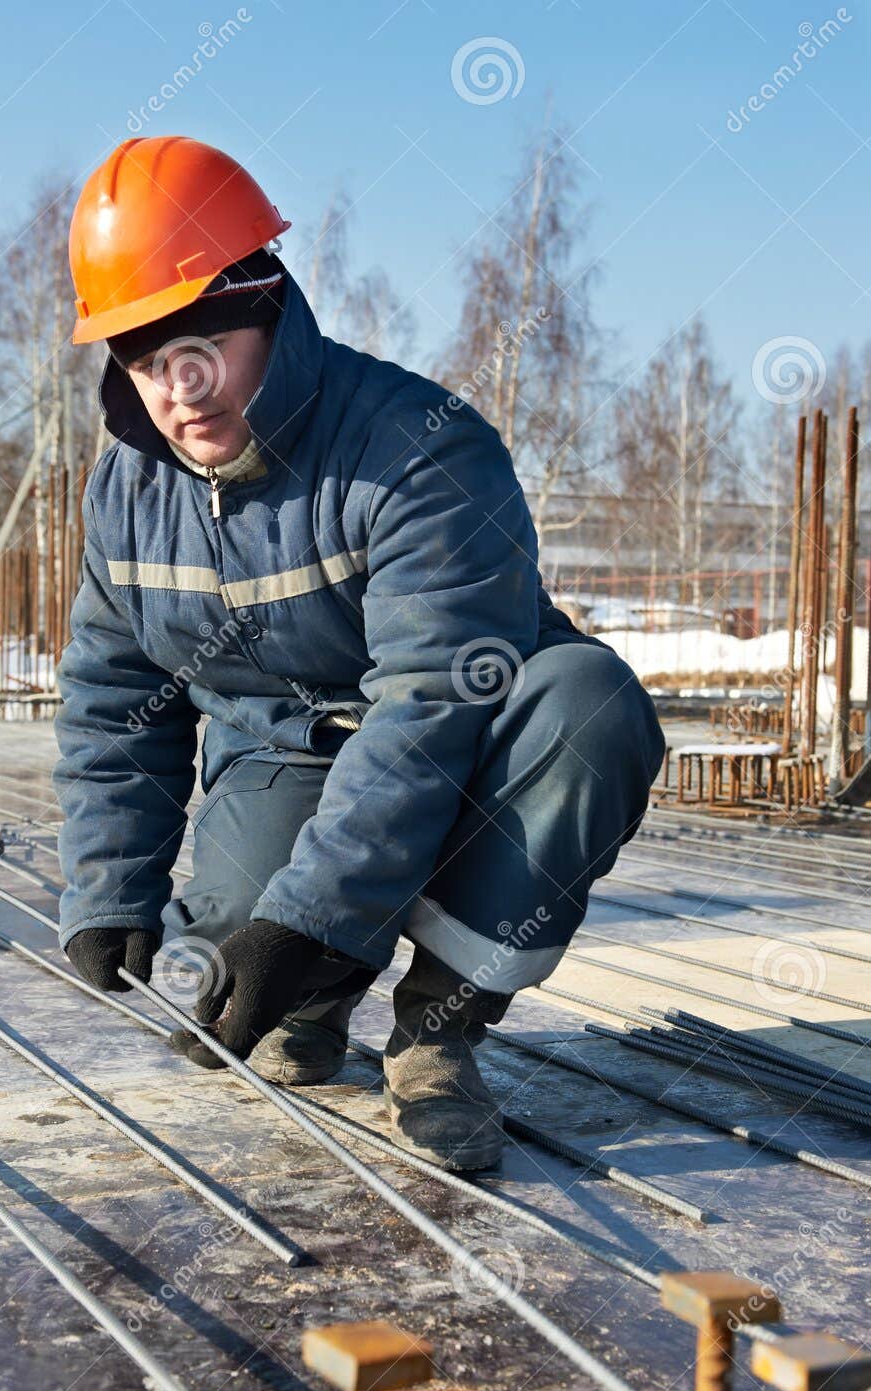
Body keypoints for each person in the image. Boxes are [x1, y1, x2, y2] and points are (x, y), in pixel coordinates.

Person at [56, 135, 664, 1171]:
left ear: (269, 312)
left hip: (475, 744)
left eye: (203, 343)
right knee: (231, 966)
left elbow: (431, 705)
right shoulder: (128, 492)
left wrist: (309, 920)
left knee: (589, 706)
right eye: (147, 358)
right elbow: (115, 699)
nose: (180, 386)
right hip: (283, 755)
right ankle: (314, 1002)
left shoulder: (418, 446)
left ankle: (436, 1032)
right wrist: (108, 891)